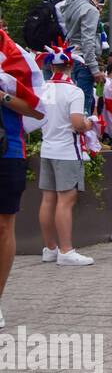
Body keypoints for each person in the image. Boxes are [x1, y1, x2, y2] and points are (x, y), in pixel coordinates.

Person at [37, 40, 96, 267]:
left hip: (47, 148)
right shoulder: (74, 91)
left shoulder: (43, 88)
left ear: (52, 67)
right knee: (66, 200)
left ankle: (50, 248)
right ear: (70, 67)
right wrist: (90, 123)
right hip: (67, 151)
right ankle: (66, 250)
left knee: (48, 199)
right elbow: (77, 123)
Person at [0, 28, 44, 329]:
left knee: (3, 226)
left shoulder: (16, 57)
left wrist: (1, 94)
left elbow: (36, 110)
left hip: (7, 152)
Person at [56, 0, 103, 114]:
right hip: (84, 61)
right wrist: (95, 69)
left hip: (70, 58)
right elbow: (87, 40)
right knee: (82, 109)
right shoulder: (90, 9)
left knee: (68, 107)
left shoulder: (69, 3)